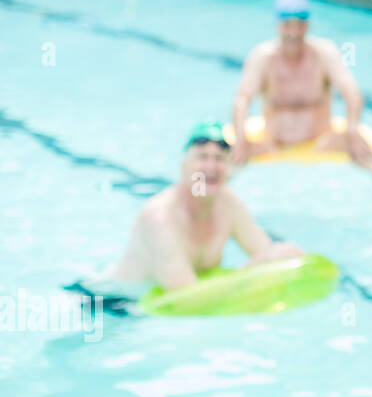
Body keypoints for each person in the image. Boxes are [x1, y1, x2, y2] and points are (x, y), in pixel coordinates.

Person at [109, 121, 304, 291]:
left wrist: (282, 255)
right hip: (121, 308)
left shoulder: (229, 205)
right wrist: (252, 269)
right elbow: (184, 297)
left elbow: (265, 253)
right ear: (183, 166)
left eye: (219, 159)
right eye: (202, 157)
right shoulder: (159, 216)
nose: (210, 167)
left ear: (229, 170)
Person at [231, 0, 372, 181]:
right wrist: (241, 138)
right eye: (288, 24)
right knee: (228, 163)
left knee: (366, 157)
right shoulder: (262, 57)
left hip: (322, 143)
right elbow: (242, 100)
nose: (294, 32)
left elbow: (352, 93)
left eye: (300, 24)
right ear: (278, 25)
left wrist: (352, 129)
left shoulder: (324, 53)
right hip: (272, 145)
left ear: (308, 25)